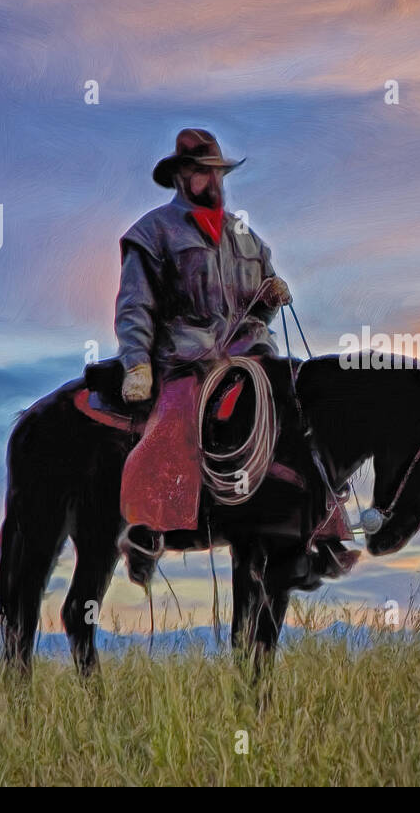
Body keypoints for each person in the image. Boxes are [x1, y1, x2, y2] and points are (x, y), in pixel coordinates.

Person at [113, 128, 356, 586]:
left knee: (302, 406)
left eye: (217, 172)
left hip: (250, 351)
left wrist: (269, 296)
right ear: (181, 176)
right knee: (175, 416)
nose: (212, 180)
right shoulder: (151, 233)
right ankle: (147, 527)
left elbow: (258, 307)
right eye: (201, 171)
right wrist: (137, 364)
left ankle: (324, 525)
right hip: (189, 356)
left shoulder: (247, 239)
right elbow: (135, 307)